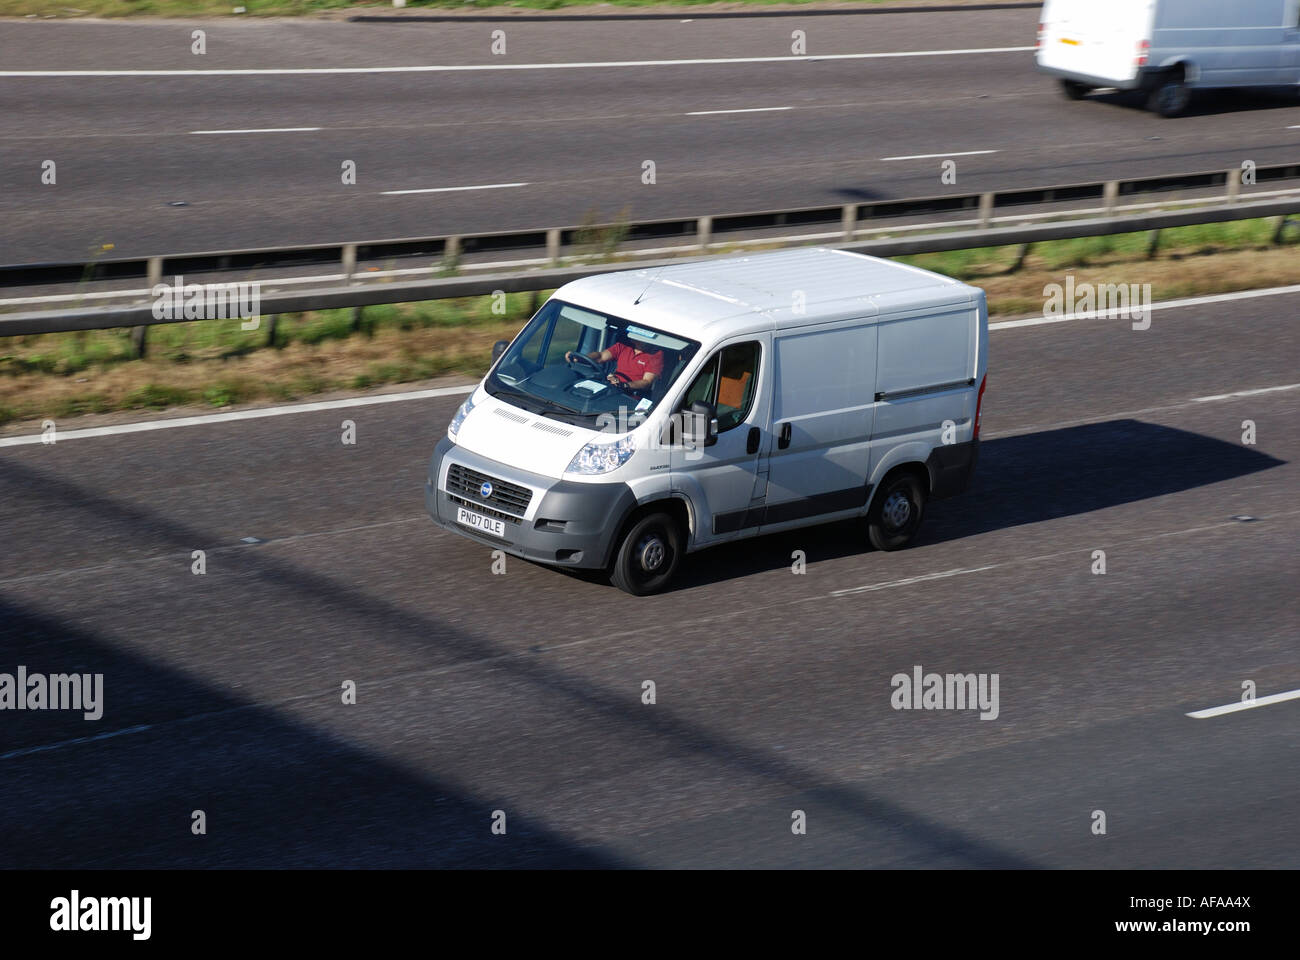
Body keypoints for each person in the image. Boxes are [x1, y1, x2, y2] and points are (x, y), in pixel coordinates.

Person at [566, 339, 664, 392]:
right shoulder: (622, 346)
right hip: (610, 387)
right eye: (641, 339)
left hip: (630, 395)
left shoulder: (655, 355)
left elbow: (647, 382)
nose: (644, 341)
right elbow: (600, 356)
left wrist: (624, 385)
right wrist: (580, 358)